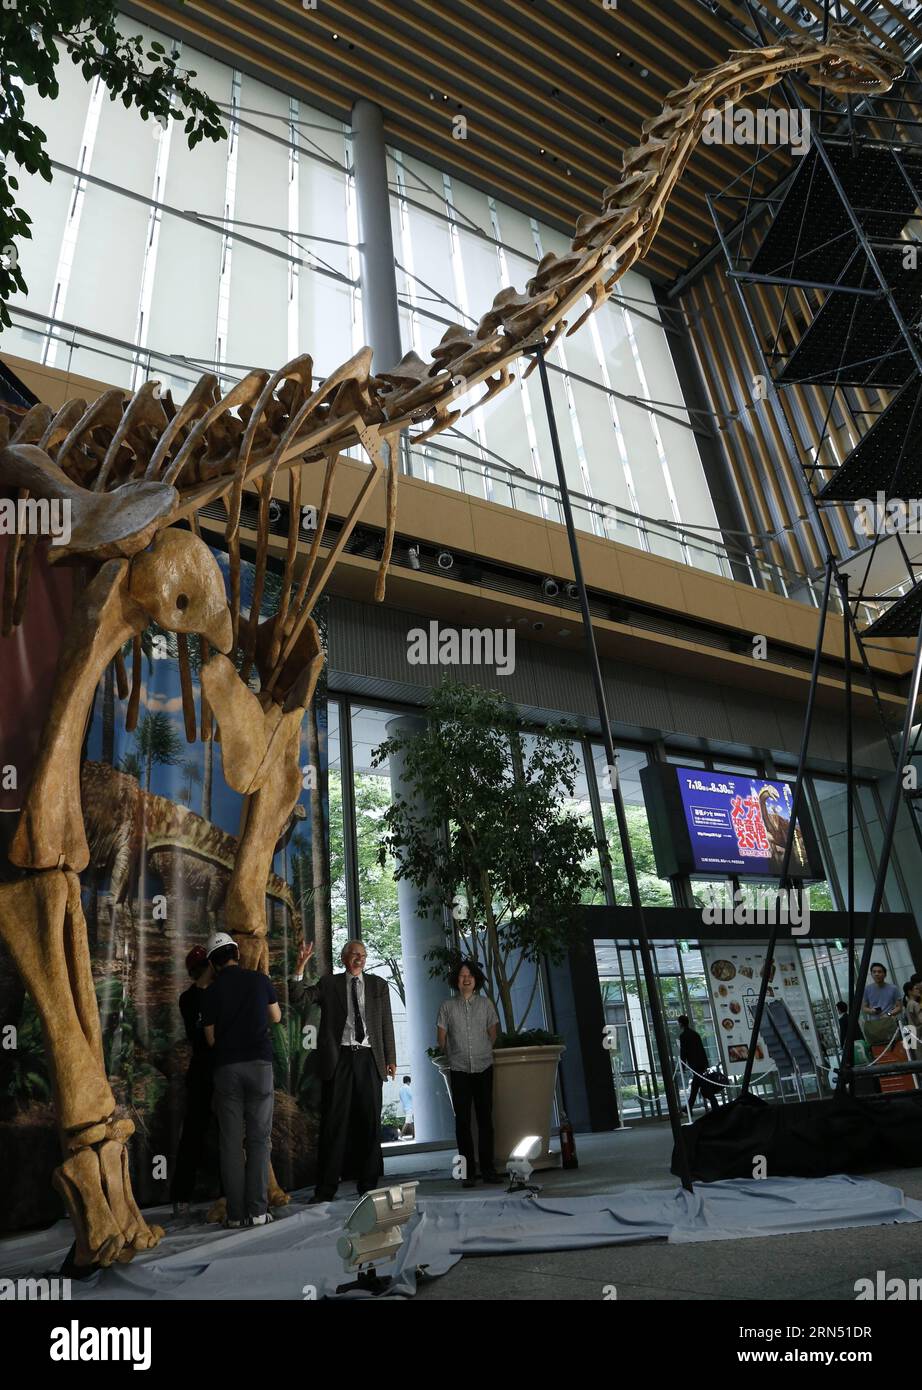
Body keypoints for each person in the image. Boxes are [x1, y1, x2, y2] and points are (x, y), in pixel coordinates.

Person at [290, 939, 396, 1203]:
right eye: (353, 954)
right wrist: (300, 967)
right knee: (334, 1126)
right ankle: (325, 1190)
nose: (359, 958)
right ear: (344, 958)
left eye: (362, 954)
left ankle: (369, 1187)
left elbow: (386, 1024)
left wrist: (390, 1059)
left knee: (370, 1123)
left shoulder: (378, 986)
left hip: (370, 1059)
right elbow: (299, 998)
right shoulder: (329, 984)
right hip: (340, 1060)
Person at [200, 932, 280, 1229]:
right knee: (259, 1140)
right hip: (259, 1066)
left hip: (227, 1069)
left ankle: (235, 1215)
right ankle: (258, 1212)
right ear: (237, 953)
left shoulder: (210, 993)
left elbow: (210, 1039)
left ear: (212, 962)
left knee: (231, 1144)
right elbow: (276, 1016)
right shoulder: (259, 980)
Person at [437, 959, 502, 1188]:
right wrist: (454, 1054)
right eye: (463, 975)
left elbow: (493, 1033)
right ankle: (467, 1173)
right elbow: (441, 1038)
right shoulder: (447, 1006)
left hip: (484, 1067)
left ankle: (488, 1169)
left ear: (476, 980)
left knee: (485, 1119)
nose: (466, 979)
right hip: (459, 1069)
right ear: (457, 980)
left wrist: (483, 1050)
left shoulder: (486, 1004)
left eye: (470, 975)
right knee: (462, 1122)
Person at [170, 945, 215, 1216]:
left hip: (222, 1069)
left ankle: (228, 1191)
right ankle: (181, 1194)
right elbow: (198, 1033)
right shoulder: (188, 998)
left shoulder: (221, 993)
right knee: (193, 1135)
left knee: (228, 1134)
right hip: (202, 1071)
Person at [677, 1015, 719, 1113]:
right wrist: (706, 1063)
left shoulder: (683, 1036)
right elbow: (701, 1049)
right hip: (701, 1063)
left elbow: (683, 1053)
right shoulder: (695, 1034)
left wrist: (682, 1067)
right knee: (695, 1086)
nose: (678, 1024)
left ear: (681, 1023)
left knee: (704, 1086)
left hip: (694, 1065)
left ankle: (714, 1104)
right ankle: (689, 1107)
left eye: (678, 1022)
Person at [902, 979, 922, 1060]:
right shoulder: (915, 1004)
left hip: (913, 1034)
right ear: (910, 991)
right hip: (920, 1034)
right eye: (916, 989)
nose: (918, 990)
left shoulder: (908, 1004)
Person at [398, 1075, 414, 1140]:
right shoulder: (408, 1088)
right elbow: (412, 1096)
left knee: (410, 1123)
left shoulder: (401, 1089)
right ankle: (401, 1136)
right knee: (407, 1122)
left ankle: (414, 1135)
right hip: (409, 1107)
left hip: (405, 1107)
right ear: (408, 1081)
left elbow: (401, 1098)